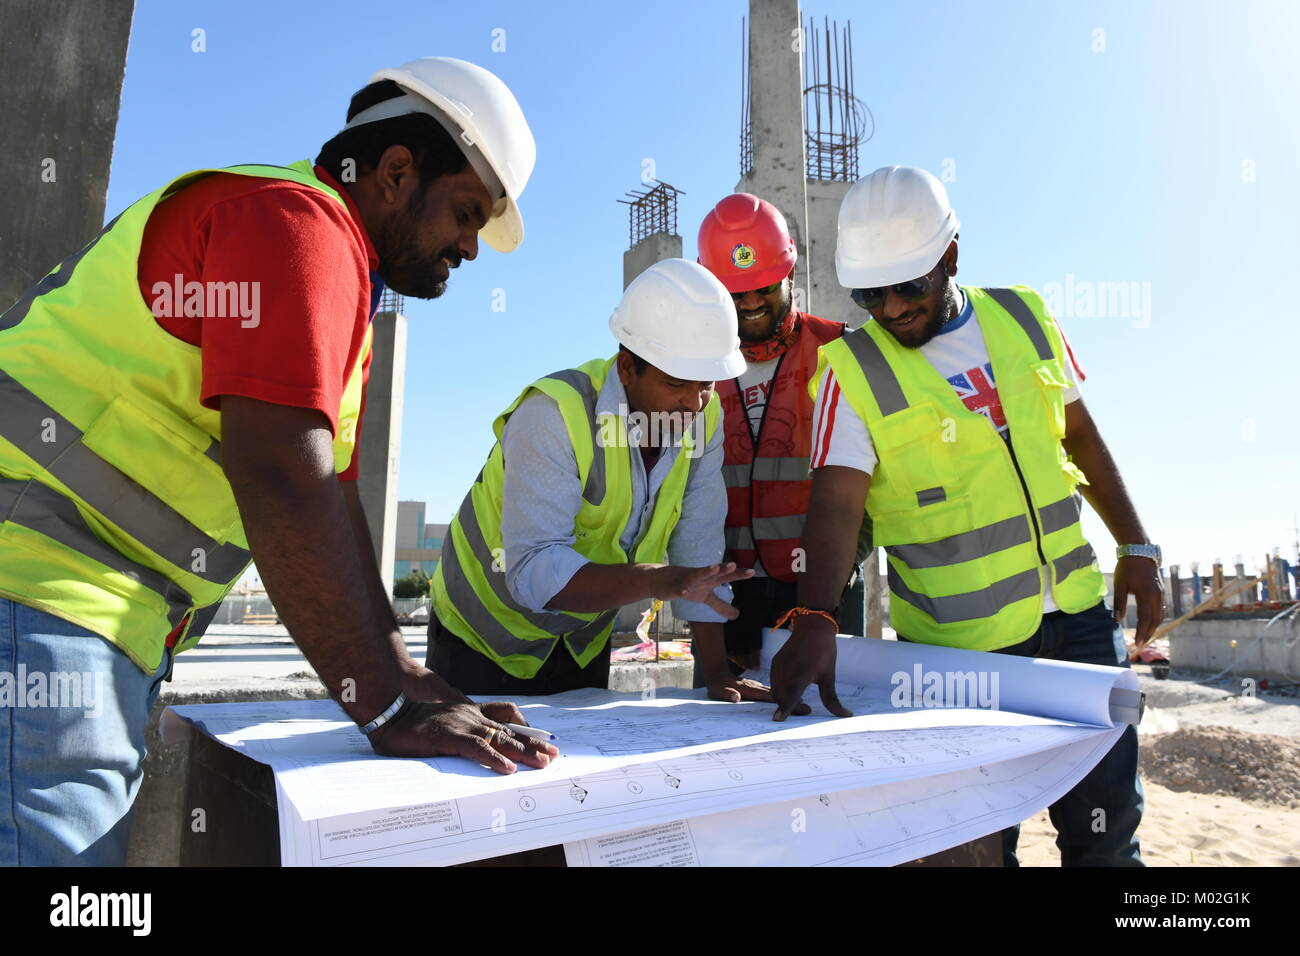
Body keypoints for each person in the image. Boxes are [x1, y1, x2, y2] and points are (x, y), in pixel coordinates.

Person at [0, 57, 556, 867]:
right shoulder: (294, 225)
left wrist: (399, 670)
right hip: (40, 595)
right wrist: (382, 702)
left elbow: (325, 497)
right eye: (466, 213)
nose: (470, 248)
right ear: (397, 172)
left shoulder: (321, 267)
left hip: (79, 613)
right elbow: (282, 475)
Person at [772, 165, 1163, 866]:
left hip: (1081, 628)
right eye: (870, 294)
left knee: (1106, 841)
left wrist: (1137, 545)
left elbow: (1080, 435)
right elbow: (836, 501)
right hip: (961, 658)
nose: (889, 309)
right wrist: (817, 616)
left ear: (950, 257)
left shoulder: (1025, 315)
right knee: (971, 852)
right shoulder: (849, 369)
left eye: (908, 286)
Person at [427, 259, 768, 704]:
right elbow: (533, 573)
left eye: (706, 384)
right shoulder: (554, 414)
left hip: (581, 637)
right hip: (481, 636)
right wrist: (655, 579)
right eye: (676, 384)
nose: (693, 403)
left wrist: (718, 673)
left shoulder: (705, 416)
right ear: (627, 368)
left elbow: (698, 547)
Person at [695, 193, 864, 678]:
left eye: (762, 288)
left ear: (789, 274)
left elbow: (877, 482)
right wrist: (715, 598)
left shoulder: (842, 350)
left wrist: (834, 586)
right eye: (733, 293)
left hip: (826, 588)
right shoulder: (696, 366)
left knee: (832, 721)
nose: (748, 303)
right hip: (728, 594)